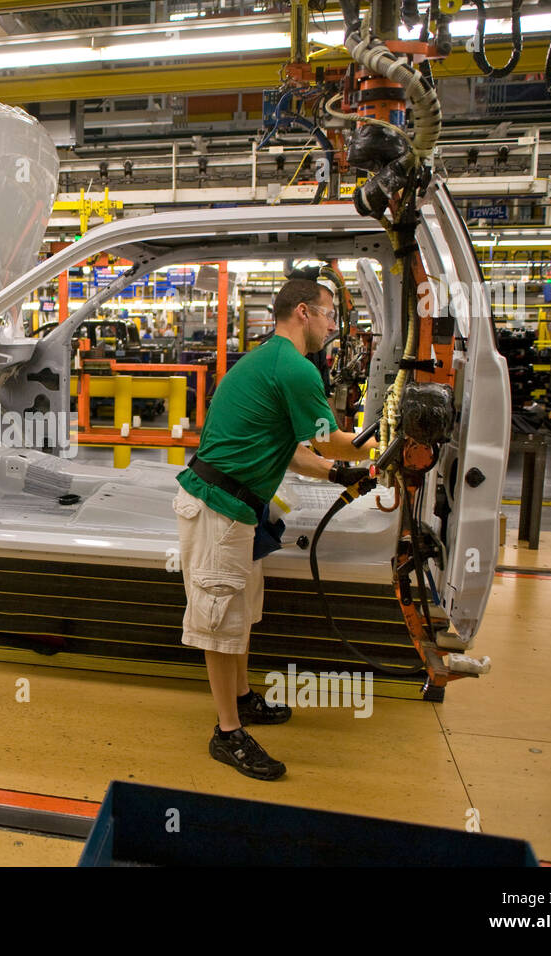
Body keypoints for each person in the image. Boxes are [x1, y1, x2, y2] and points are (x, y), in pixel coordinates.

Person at [174, 278, 378, 781]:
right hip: (218, 508)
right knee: (221, 623)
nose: (334, 328)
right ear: (304, 312)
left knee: (238, 614)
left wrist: (335, 474)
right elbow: (331, 442)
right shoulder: (295, 367)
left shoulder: (268, 360)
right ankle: (227, 734)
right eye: (330, 316)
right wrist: (382, 445)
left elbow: (286, 446)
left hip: (238, 508)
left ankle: (241, 700)